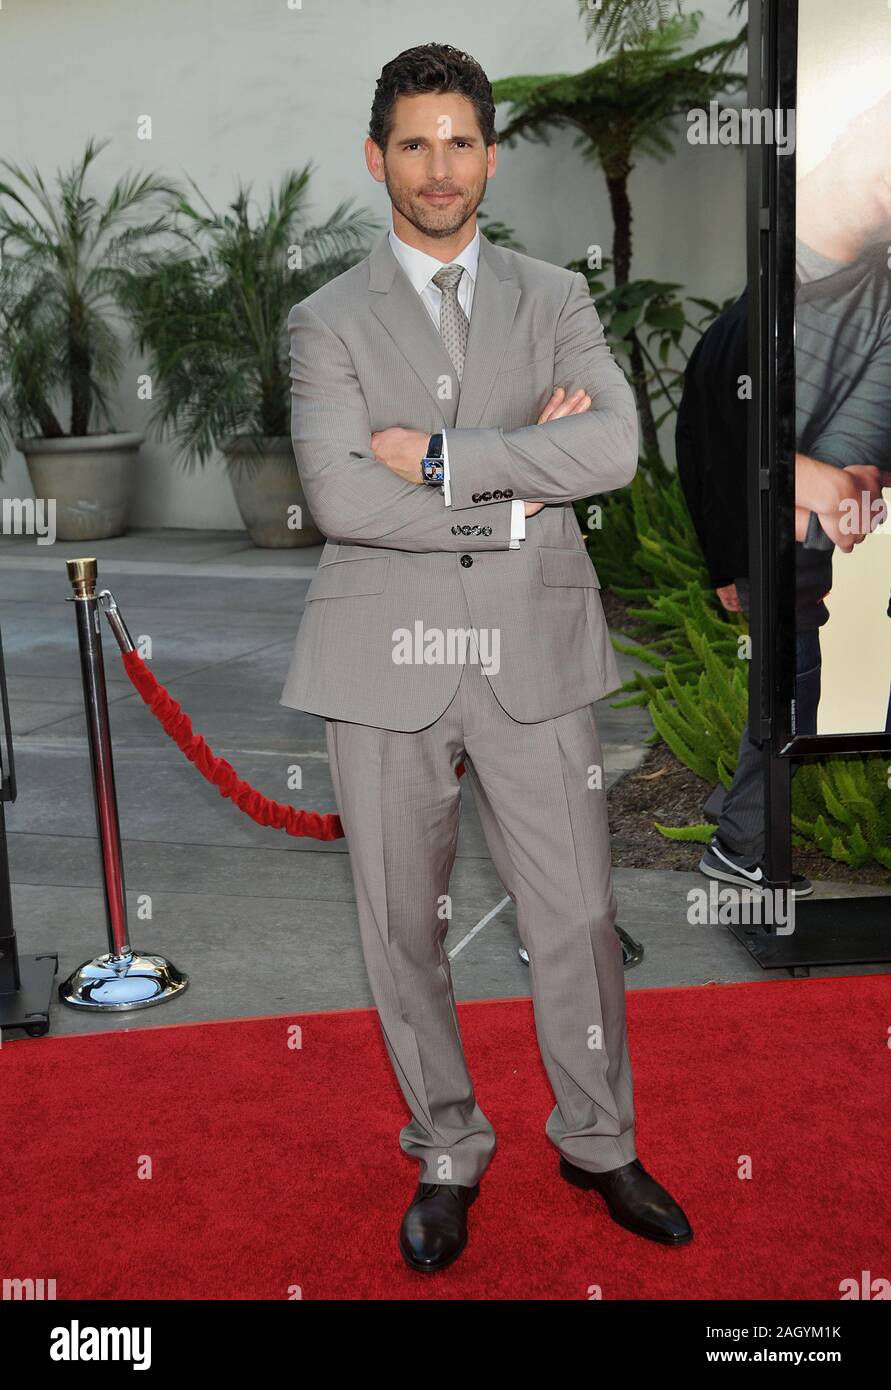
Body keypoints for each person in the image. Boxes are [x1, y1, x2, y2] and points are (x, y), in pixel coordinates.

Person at [279, 42, 691, 1272]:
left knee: (579, 912)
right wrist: (515, 493)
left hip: (536, 648)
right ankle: (447, 1146)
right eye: (414, 142)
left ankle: (599, 1138)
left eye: (460, 140)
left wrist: (452, 457)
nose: (439, 165)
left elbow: (612, 449)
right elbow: (341, 493)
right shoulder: (324, 320)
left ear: (490, 156)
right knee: (402, 929)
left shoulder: (554, 297)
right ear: (377, 159)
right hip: (379, 656)